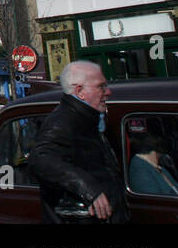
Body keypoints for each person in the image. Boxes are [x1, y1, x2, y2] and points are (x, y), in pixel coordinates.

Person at [28, 60, 129, 223]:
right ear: (80, 91)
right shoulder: (62, 121)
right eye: (100, 86)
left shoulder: (88, 118)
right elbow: (40, 159)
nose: (108, 92)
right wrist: (89, 189)